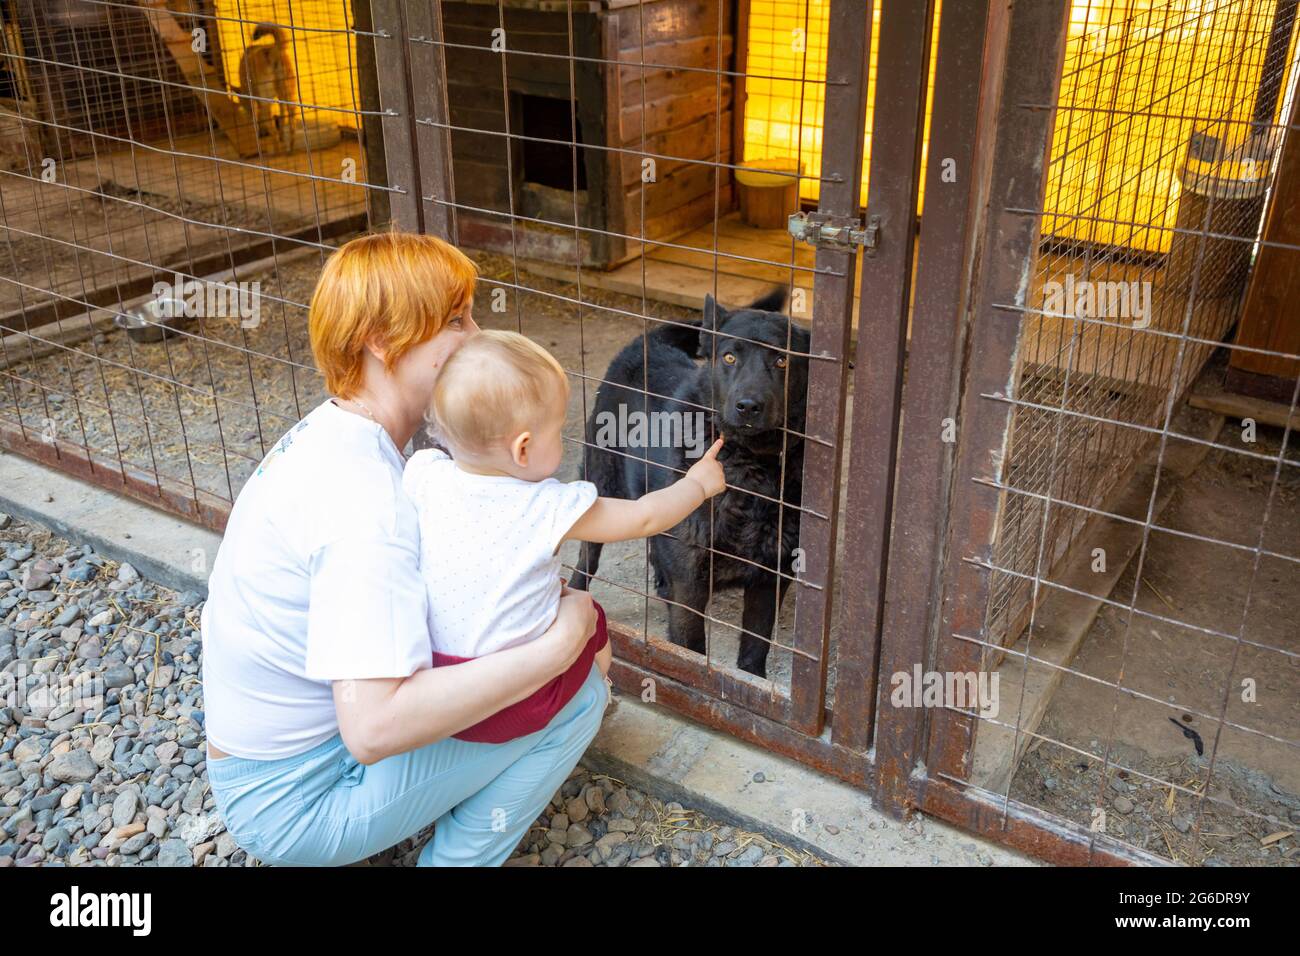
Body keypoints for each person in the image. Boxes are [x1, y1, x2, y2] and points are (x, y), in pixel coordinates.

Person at [200, 232, 605, 867]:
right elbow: (373, 729)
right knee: (581, 695)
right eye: (454, 320)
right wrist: (558, 646)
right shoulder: (368, 501)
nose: (476, 336)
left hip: (262, 766)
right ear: (383, 342)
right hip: (297, 807)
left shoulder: (331, 435)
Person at [404, 330, 726, 743]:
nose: (564, 437)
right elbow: (645, 518)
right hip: (519, 705)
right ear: (522, 449)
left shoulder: (424, 472)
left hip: (436, 690)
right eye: (558, 430)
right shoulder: (547, 505)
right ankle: (595, 699)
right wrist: (697, 484)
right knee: (589, 614)